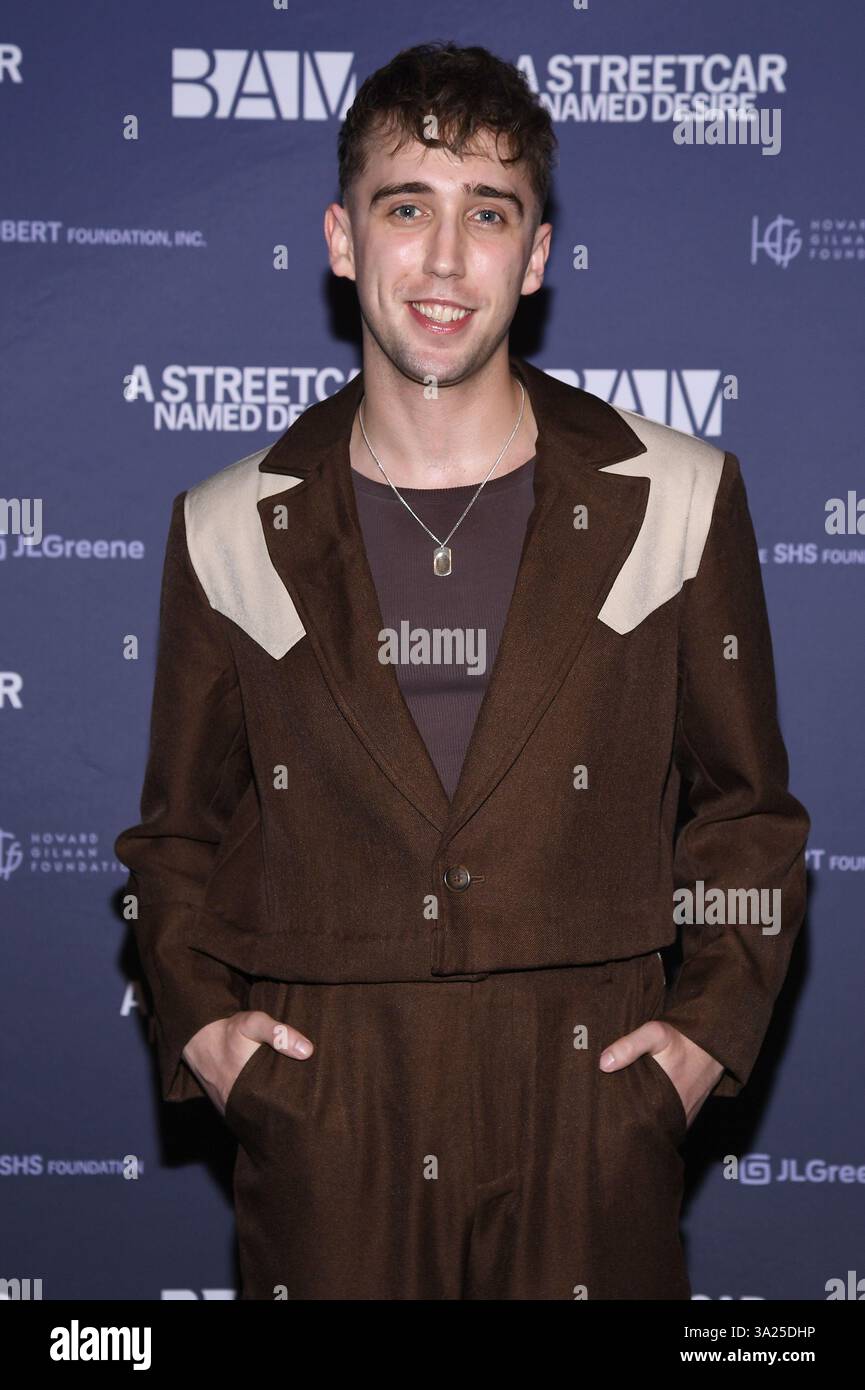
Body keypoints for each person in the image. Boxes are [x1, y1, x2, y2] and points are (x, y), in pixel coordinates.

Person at [115, 41, 810, 1300]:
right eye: (406, 208)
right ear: (340, 238)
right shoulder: (225, 523)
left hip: (588, 1101)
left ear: (535, 257)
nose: (444, 260)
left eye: (487, 213)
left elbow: (747, 818)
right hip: (333, 1107)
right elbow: (175, 840)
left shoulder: (680, 497)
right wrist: (219, 1043)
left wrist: (698, 1044)